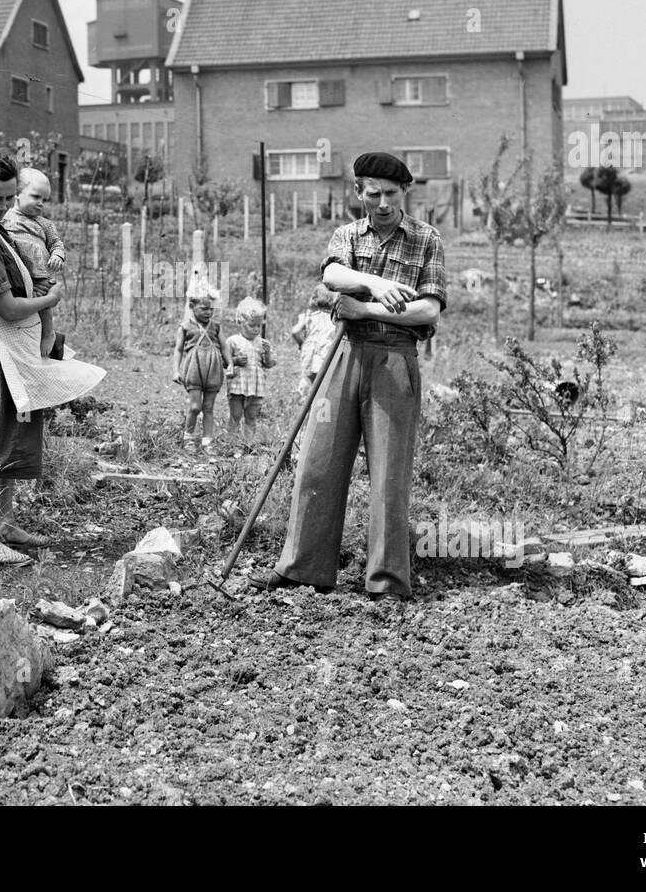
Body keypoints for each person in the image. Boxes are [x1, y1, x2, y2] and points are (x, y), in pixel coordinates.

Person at [250, 151, 447, 601]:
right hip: (344, 356)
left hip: (395, 362)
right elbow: (334, 275)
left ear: (405, 192)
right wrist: (375, 284)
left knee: (389, 476)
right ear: (359, 191)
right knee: (317, 463)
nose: (382, 203)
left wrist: (366, 309)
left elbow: (428, 308)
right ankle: (303, 568)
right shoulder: (347, 235)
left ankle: (387, 581)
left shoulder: (425, 239)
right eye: (373, 193)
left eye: (391, 194)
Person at [0, 151, 102, 565]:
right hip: (2, 342)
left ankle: (3, 522)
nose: (2, 206)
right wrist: (50, 298)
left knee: (18, 428)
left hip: (16, 342)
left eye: (7, 197)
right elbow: (9, 308)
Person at [2, 168, 65, 358]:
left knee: (42, 305)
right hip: (17, 275)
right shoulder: (4, 218)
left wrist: (58, 256)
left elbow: (56, 243)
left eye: (44, 200)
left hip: (39, 275)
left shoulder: (44, 224)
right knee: (18, 309)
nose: (41, 203)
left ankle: (49, 333)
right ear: (17, 194)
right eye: (36, 196)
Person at [171, 278, 235, 452]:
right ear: (192, 306)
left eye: (211, 309)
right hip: (193, 371)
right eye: (204, 308)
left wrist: (229, 364)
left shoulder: (216, 326)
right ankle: (188, 438)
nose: (208, 313)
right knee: (194, 406)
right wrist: (176, 371)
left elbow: (223, 346)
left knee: (208, 407)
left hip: (213, 371)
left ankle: (207, 441)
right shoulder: (185, 327)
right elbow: (178, 350)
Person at [224, 296, 275, 445]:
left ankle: (248, 444)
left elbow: (269, 364)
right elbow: (223, 362)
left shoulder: (262, 343)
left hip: (256, 386)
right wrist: (235, 361)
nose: (256, 329)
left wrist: (267, 353)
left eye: (259, 325)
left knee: (252, 416)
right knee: (235, 415)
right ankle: (231, 443)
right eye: (252, 325)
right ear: (240, 322)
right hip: (237, 386)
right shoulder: (233, 341)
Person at [290, 283, 338, 396]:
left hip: (310, 356)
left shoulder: (308, 316)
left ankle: (305, 407)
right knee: (324, 388)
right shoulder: (335, 319)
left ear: (313, 298)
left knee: (308, 383)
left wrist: (301, 343)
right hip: (326, 355)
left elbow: (295, 331)